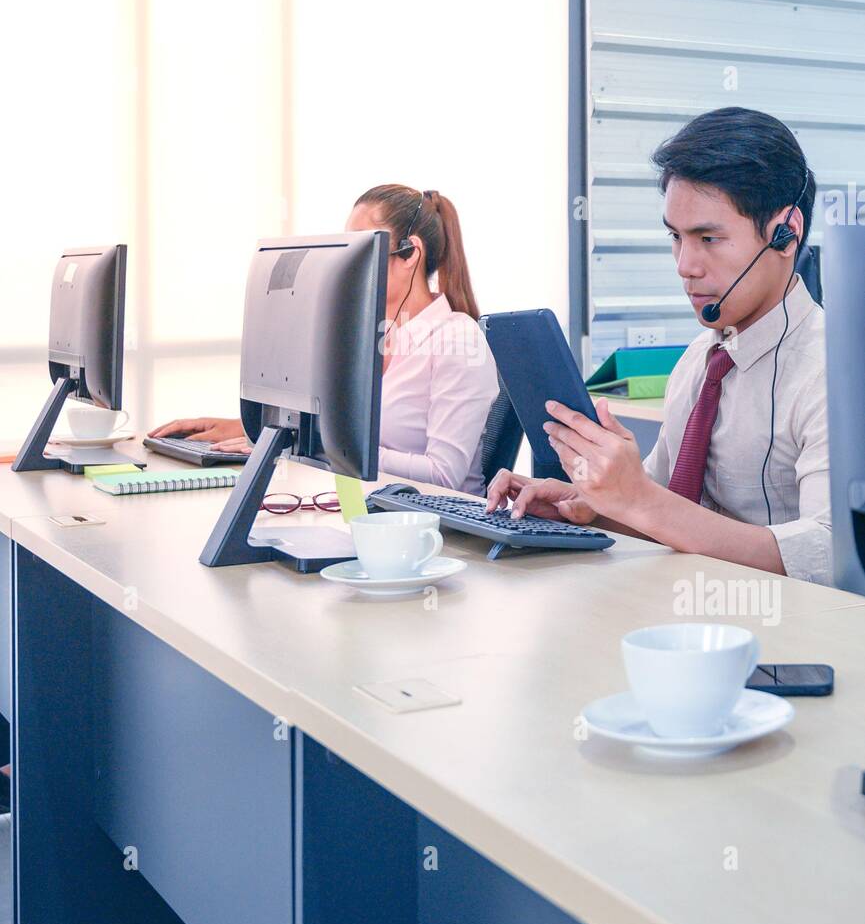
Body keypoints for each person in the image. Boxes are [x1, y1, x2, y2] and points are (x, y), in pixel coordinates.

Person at [488, 108, 832, 584]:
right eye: (676, 237)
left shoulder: (833, 374)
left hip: (781, 645)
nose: (685, 265)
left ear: (784, 233)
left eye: (709, 238)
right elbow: (669, 509)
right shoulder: (699, 361)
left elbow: (827, 553)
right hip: (684, 626)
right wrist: (590, 505)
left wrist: (639, 500)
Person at [150, 186, 500, 495]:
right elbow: (334, 430)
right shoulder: (365, 334)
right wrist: (256, 432)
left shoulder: (456, 338)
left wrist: (315, 446)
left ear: (410, 254)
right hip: (361, 513)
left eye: (366, 245)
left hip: (436, 534)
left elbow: (444, 477)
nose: (352, 259)